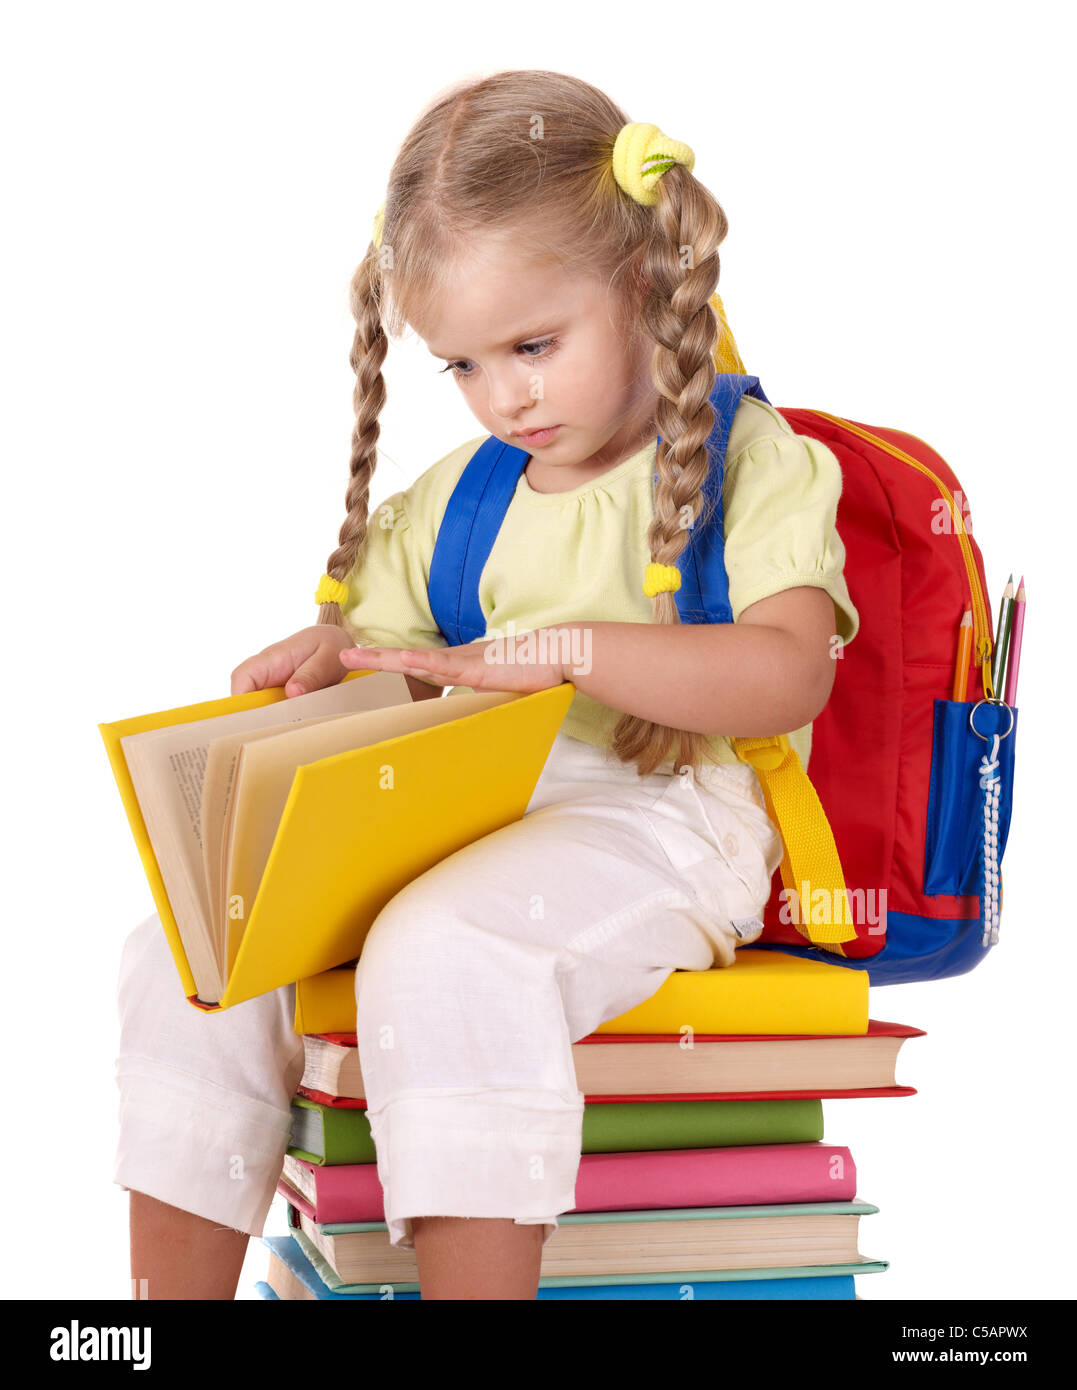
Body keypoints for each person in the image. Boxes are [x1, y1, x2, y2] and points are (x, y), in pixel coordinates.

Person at [114, 68, 859, 1301]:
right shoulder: (462, 496)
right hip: (471, 811)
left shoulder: (754, 462)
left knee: (447, 949)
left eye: (533, 345)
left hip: (668, 817)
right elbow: (393, 673)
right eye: (462, 364)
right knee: (191, 942)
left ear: (641, 282)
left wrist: (574, 648)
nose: (503, 394)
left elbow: (786, 676)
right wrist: (326, 659)